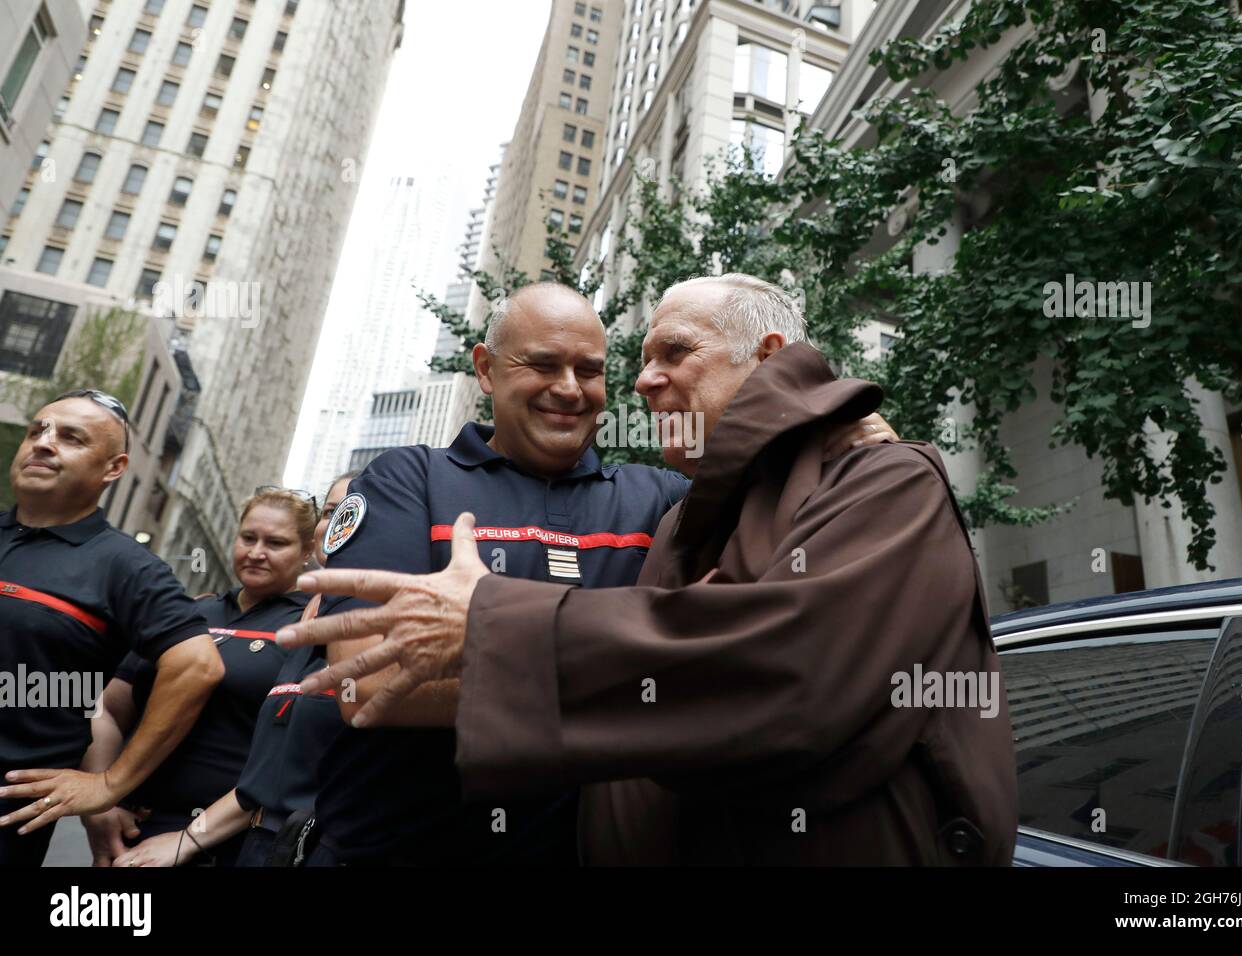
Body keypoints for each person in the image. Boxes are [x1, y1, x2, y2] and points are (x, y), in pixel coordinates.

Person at [283, 274, 1018, 865]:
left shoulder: (693, 496)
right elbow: (370, 682)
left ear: (766, 357)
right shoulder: (413, 479)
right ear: (483, 368)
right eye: (542, 363)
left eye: (667, 355)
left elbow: (771, 672)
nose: (599, 386)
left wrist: (491, 629)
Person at [0, 390, 222, 867]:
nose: (43, 443)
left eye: (70, 437)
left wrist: (109, 784)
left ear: (113, 468)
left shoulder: (126, 567)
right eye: (37, 430)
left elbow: (197, 666)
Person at [111, 472, 358, 867]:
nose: (257, 552)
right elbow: (112, 707)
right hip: (135, 826)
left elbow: (282, 762)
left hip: (229, 838)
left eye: (276, 543)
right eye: (248, 538)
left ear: (305, 549)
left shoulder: (313, 628)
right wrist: (106, 799)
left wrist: (192, 838)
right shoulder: (191, 611)